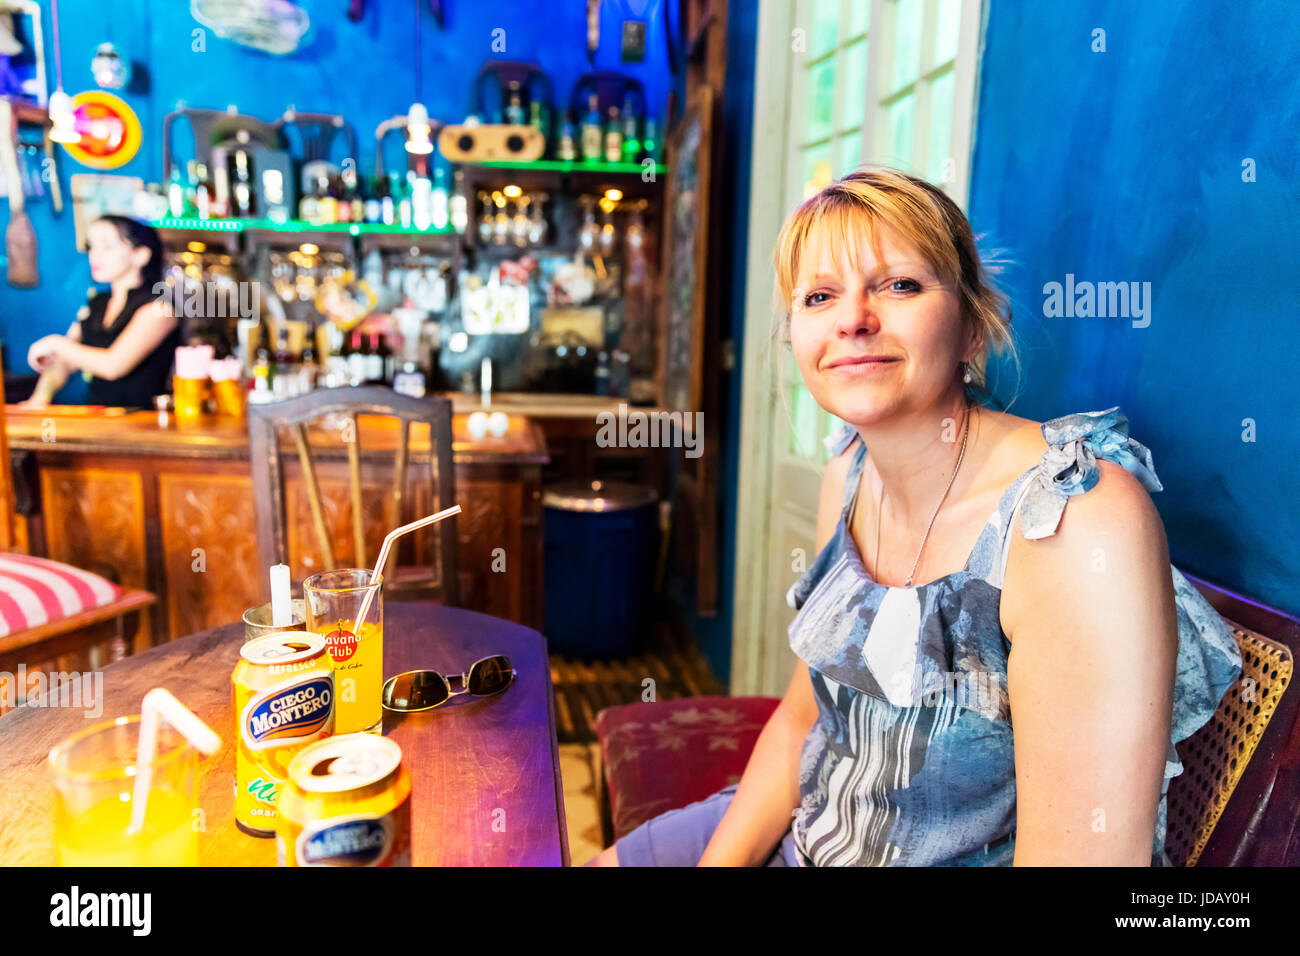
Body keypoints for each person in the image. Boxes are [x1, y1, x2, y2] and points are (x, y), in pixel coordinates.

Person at [588, 166, 1242, 867]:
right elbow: (801, 721)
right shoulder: (848, 475)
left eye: (899, 285)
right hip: (813, 830)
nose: (852, 319)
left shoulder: (1073, 521)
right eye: (819, 296)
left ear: (972, 327)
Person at [22, 216, 179, 408]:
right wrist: (39, 399)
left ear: (141, 255)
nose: (95, 255)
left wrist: (56, 343)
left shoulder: (159, 308)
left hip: (145, 423)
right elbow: (63, 362)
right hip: (100, 418)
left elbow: (113, 366)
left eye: (106, 246)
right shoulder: (97, 303)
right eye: (92, 246)